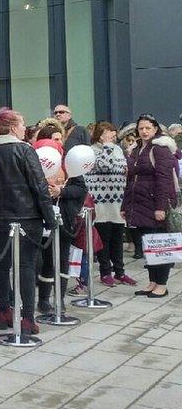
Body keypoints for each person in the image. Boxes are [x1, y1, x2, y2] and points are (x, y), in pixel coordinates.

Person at [0, 108, 56, 335]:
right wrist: (50, 218)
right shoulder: (24, 150)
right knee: (26, 266)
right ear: (13, 127)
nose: (25, 128)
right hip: (27, 216)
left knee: (2, 265)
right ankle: (28, 318)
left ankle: (4, 311)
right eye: (22, 124)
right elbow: (39, 186)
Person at [123, 114, 178, 298]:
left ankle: (162, 284)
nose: (144, 131)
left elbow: (164, 180)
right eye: (141, 128)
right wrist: (125, 206)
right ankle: (152, 281)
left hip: (154, 204)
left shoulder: (160, 148)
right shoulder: (137, 148)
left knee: (160, 246)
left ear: (155, 129)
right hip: (139, 204)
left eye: (148, 128)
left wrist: (160, 207)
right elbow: (131, 179)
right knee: (148, 246)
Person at [31, 134, 87, 314]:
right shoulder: (34, 166)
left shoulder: (70, 166)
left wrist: (61, 191)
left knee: (63, 260)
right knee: (47, 261)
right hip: (43, 220)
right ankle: (44, 300)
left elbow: (81, 189)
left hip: (65, 219)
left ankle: (60, 298)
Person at [86, 122, 135, 287]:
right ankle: (105, 272)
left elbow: (124, 169)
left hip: (117, 201)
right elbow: (104, 166)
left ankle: (120, 272)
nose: (113, 136)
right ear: (100, 134)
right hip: (100, 202)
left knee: (117, 239)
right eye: (108, 133)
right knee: (104, 240)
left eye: (114, 133)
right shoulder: (92, 151)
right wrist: (107, 146)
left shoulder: (118, 149)